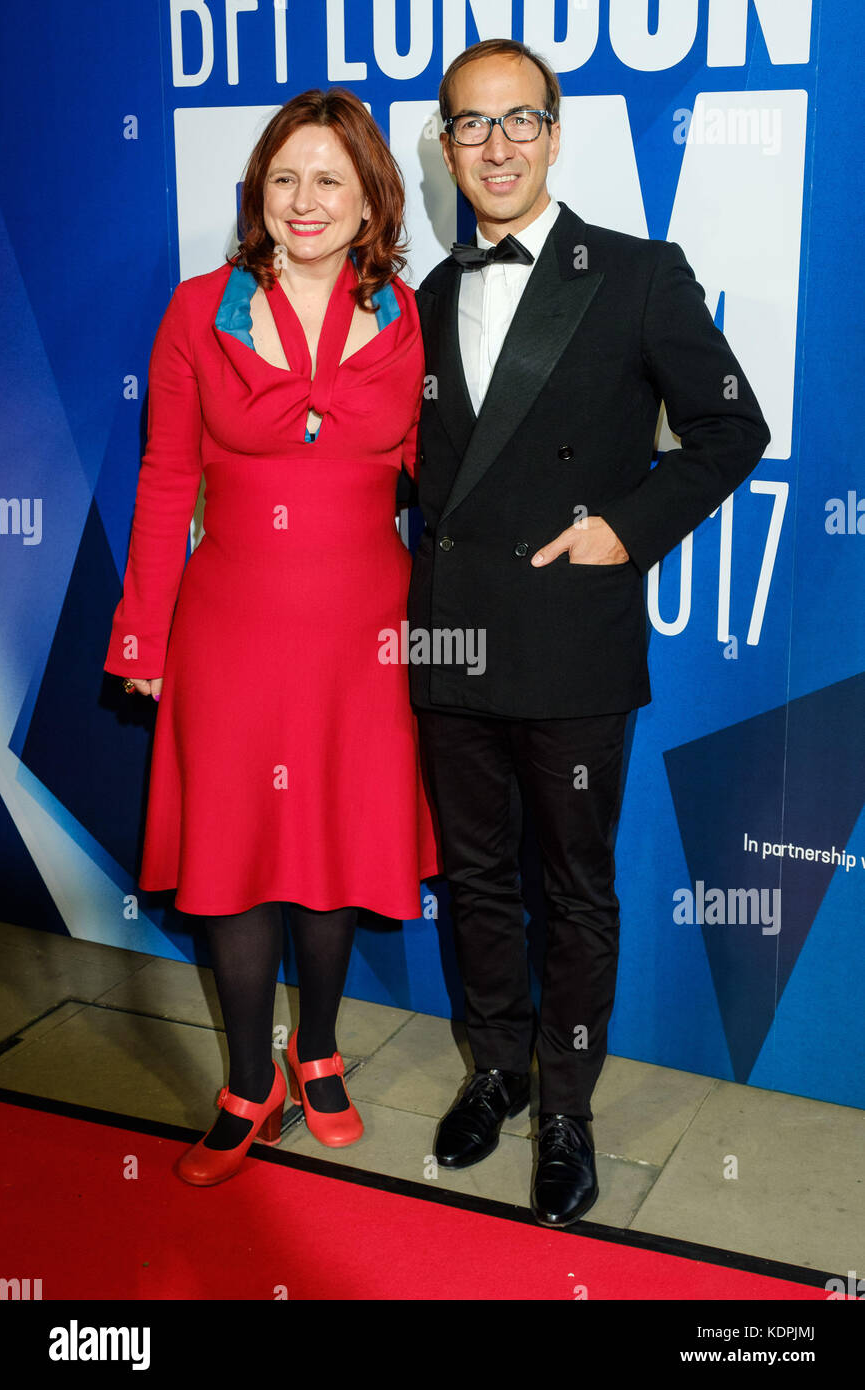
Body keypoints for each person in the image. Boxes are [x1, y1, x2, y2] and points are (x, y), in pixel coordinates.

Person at [407, 39, 771, 1226]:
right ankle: (494, 1072)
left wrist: (627, 525)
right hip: (447, 641)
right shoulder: (421, 298)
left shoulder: (635, 272)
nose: (497, 146)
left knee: (571, 888)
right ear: (447, 146)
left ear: (555, 135)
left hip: (570, 641)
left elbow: (730, 429)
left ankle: (564, 1108)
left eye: (520, 122)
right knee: (470, 880)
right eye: (472, 125)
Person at [104, 88, 440, 1185]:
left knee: (335, 848)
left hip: (365, 635)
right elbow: (164, 481)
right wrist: (143, 636)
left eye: (329, 179)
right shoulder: (199, 308)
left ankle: (322, 1050)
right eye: (285, 177)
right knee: (237, 855)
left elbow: (437, 475)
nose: (305, 200)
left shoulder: (405, 315)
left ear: (368, 201)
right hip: (232, 630)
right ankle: (248, 1075)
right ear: (259, 191)